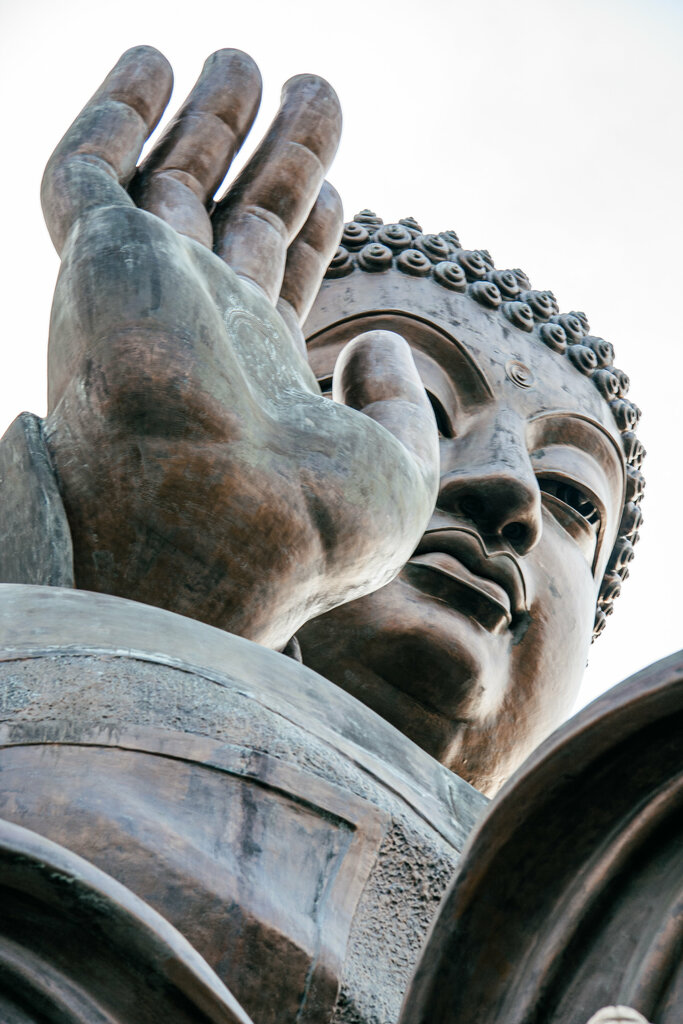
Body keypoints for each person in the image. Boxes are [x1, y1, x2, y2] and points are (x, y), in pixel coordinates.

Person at [0, 46, 653, 1024]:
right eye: (423, 403)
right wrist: (160, 622)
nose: (505, 488)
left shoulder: (633, 947)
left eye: (571, 496)